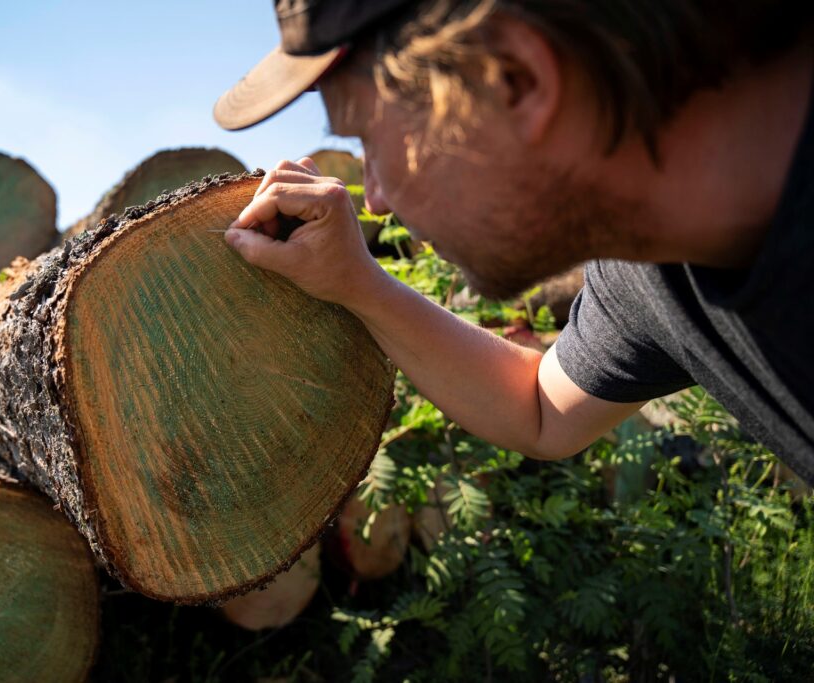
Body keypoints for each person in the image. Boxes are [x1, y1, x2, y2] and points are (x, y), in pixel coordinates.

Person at [213, 0, 814, 483]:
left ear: (515, 80)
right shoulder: (647, 271)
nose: (374, 200)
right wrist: (356, 281)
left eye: (370, 137)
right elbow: (540, 411)